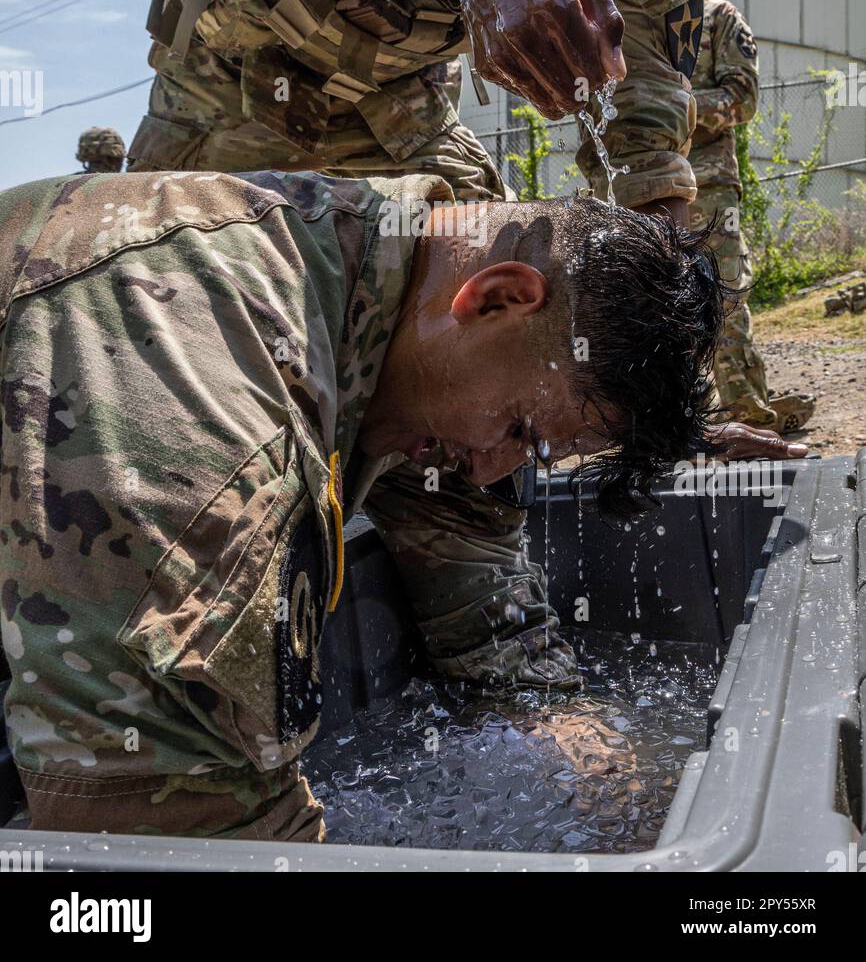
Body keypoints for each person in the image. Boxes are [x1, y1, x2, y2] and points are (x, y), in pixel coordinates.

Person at [123, 0, 835, 688]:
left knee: (492, 392)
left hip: (396, 154)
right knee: (203, 472)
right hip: (225, 136)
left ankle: (506, 679)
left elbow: (661, 194)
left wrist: (670, 411)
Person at [0, 167, 805, 839]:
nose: (496, 470)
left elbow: (470, 553)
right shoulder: (200, 437)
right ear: (496, 297)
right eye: (521, 430)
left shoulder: (395, 289)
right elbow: (170, 840)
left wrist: (575, 751)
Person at [689, 0, 815, 433]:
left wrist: (676, 106)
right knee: (647, 309)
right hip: (635, 186)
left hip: (706, 187)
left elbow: (742, 100)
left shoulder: (716, 17)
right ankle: (666, 426)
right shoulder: (628, 23)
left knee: (725, 300)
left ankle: (748, 417)